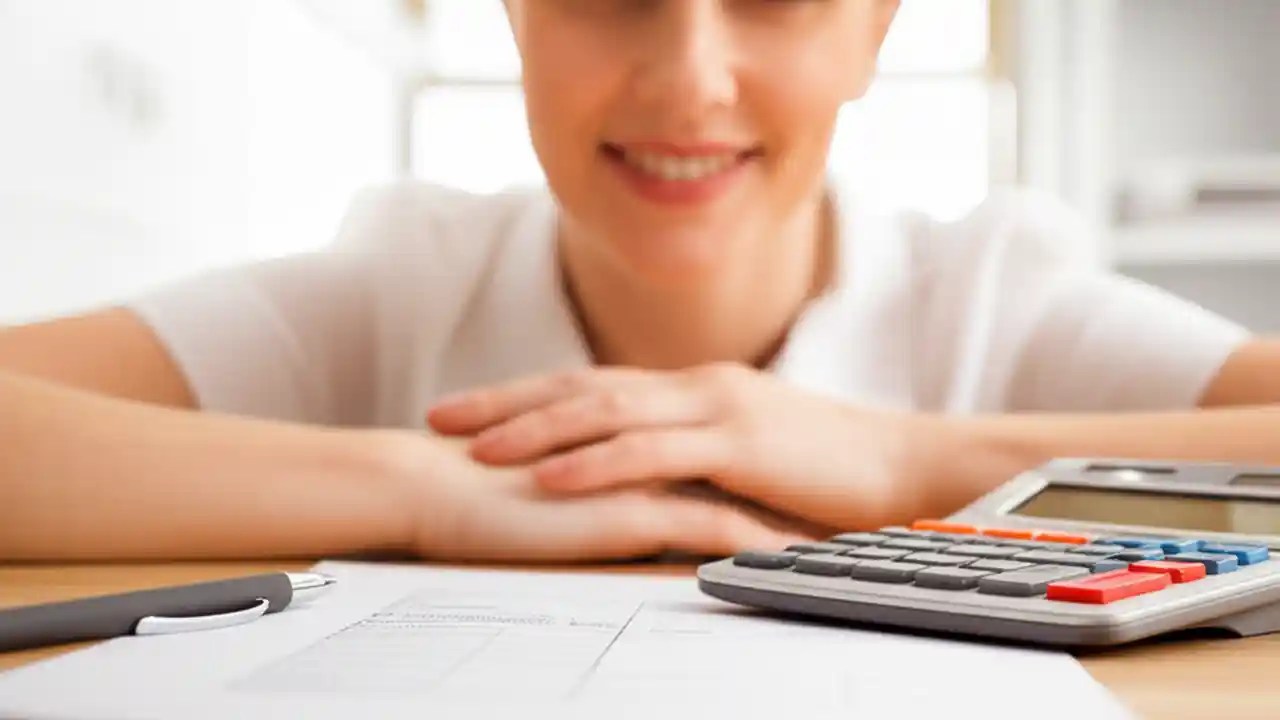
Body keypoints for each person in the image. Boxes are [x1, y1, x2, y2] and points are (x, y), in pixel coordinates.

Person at [3, 0, 1279, 564]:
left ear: (874, 30)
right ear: (513, 16)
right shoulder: (397, 289)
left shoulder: (990, 298)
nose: (686, 81)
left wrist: (904, 461)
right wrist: (425, 489)